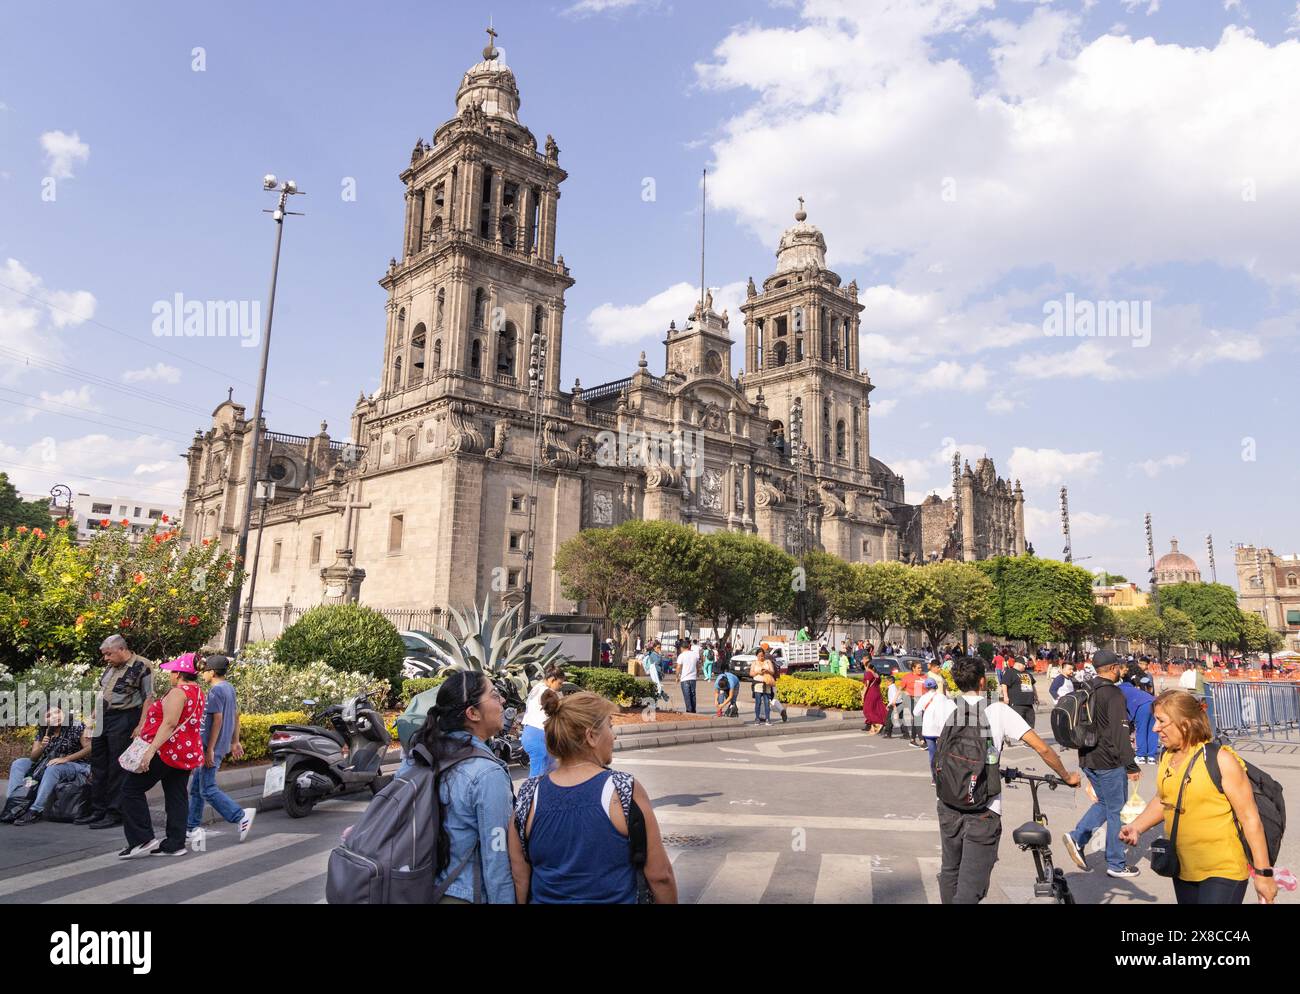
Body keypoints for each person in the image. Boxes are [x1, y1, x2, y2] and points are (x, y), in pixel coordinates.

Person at [931, 657, 1080, 904]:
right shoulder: (996, 710)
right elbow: (1043, 749)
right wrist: (1068, 776)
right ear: (982, 681)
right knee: (971, 885)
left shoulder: (943, 707)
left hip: (947, 803)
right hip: (984, 808)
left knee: (950, 870)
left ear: (955, 682)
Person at [512, 690, 677, 903]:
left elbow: (520, 877)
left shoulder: (529, 793)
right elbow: (660, 876)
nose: (614, 735)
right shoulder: (622, 788)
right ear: (591, 736)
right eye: (609, 726)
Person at [1118, 690, 1277, 905]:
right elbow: (1165, 799)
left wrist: (1263, 874)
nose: (1155, 728)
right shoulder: (1167, 755)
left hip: (1223, 869)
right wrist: (1137, 826)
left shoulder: (1219, 759)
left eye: (1161, 721)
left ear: (1185, 723)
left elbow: (1250, 818)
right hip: (1183, 866)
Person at [413, 670, 525, 903]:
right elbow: (497, 860)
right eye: (494, 695)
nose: (502, 701)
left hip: (422, 888)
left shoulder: (422, 755)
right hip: (465, 894)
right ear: (472, 713)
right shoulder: (486, 774)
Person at [1062, 649, 1142, 879]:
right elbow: (1120, 732)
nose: (1121, 671)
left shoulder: (1087, 690)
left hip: (1088, 756)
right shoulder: (1113, 694)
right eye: (1119, 667)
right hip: (1109, 759)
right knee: (1116, 808)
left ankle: (1077, 837)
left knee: (1106, 803)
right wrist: (1131, 765)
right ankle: (1116, 863)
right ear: (1113, 668)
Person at [118, 652, 206, 858]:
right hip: (184, 751)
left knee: (130, 789)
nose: (170, 675)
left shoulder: (178, 692)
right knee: (177, 795)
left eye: (172, 671)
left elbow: (169, 723)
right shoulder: (198, 692)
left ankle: (142, 839)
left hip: (166, 750)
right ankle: (175, 843)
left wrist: (150, 751)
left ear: (178, 674)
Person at [83, 634, 155, 829]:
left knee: (116, 767)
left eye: (108, 654)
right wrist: (91, 720)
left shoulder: (142, 665)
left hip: (125, 717)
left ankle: (114, 812)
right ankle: (98, 810)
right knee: (98, 764)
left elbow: (148, 697)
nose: (105, 658)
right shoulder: (111, 666)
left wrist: (141, 725)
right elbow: (103, 694)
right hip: (104, 717)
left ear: (121, 649)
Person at [186, 654, 255, 844]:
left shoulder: (215, 692)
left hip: (211, 747)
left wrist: (209, 750)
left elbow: (217, 720)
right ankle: (191, 827)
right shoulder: (229, 688)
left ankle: (240, 816)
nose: (203, 675)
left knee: (207, 789)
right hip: (217, 745)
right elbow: (235, 715)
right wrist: (235, 741)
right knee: (196, 789)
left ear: (212, 672)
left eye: (205, 671)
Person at [2, 708, 90, 826]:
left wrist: (66, 759)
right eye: (49, 715)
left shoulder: (76, 726)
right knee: (19, 763)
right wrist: (43, 746)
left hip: (77, 764)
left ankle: (35, 810)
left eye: (58, 712)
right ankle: (14, 804)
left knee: (53, 767)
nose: (54, 717)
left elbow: (89, 748)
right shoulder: (44, 730)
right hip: (48, 763)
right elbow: (33, 758)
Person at [520, 662, 567, 777]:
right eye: (559, 683)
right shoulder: (546, 692)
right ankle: (533, 795)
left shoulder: (537, 688)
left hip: (532, 734)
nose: (561, 686)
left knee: (549, 772)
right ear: (551, 679)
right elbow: (551, 703)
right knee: (538, 778)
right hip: (538, 736)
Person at [1118, 665, 1157, 765]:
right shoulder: (1135, 689)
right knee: (1152, 730)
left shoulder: (1120, 689)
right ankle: (1151, 756)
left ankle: (1141, 756)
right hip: (1153, 703)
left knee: (1141, 730)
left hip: (1141, 707)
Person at [914, 677, 945, 782]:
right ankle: (944, 776)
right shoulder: (942, 697)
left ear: (926, 687)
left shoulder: (923, 698)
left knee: (932, 754)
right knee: (942, 753)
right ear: (936, 686)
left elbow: (915, 713)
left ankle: (934, 778)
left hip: (928, 729)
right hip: (941, 729)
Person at [999, 654, 1038, 736]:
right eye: (1025, 665)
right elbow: (1004, 684)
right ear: (1019, 664)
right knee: (1016, 723)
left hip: (1029, 702)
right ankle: (1005, 735)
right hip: (1016, 702)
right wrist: (1005, 697)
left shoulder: (1027, 673)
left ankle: (1027, 740)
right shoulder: (1010, 672)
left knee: (1030, 722)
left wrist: (1036, 696)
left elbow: (1032, 685)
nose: (1026, 666)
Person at [898, 660, 926, 747]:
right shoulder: (907, 677)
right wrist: (894, 700)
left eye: (921, 667)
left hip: (922, 700)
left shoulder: (924, 676)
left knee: (916, 719)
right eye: (918, 668)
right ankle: (922, 741)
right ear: (913, 668)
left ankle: (912, 740)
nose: (920, 669)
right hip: (911, 699)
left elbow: (928, 689)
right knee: (918, 718)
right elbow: (900, 689)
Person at [750, 648, 777, 725]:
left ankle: (768, 719)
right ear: (756, 656)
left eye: (762, 656)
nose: (760, 658)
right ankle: (757, 719)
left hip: (767, 684)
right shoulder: (754, 663)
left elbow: (772, 672)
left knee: (766, 702)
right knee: (758, 702)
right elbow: (751, 674)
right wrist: (758, 672)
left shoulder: (768, 662)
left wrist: (767, 671)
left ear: (764, 655)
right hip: (757, 684)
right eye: (759, 656)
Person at [676, 638, 701, 714]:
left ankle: (689, 710)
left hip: (685, 678)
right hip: (693, 678)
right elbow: (697, 665)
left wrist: (677, 677)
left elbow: (678, 667)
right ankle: (693, 709)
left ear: (682, 648)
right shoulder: (695, 654)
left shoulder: (681, 655)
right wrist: (698, 672)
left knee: (687, 694)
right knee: (693, 694)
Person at [861, 664, 887, 734]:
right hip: (877, 692)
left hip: (871, 693)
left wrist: (863, 694)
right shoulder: (876, 674)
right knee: (876, 709)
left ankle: (878, 723)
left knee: (867, 710)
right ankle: (873, 729)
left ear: (867, 667)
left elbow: (866, 685)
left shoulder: (868, 673)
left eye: (865, 667)